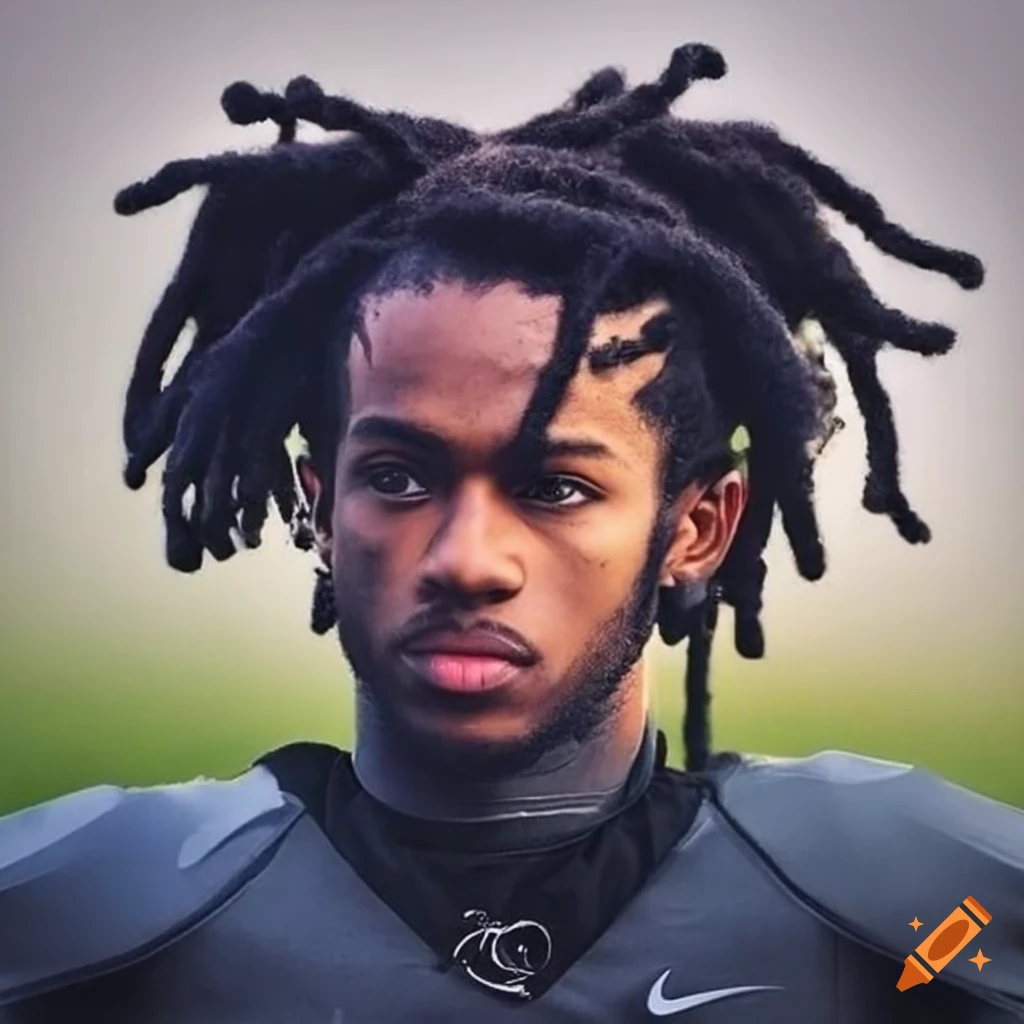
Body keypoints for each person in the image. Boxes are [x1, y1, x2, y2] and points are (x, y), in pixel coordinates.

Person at [0, 42, 1021, 1024]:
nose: (465, 560)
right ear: (318, 506)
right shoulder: (105, 905)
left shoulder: (914, 909)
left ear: (698, 525)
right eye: (398, 477)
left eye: (555, 486)